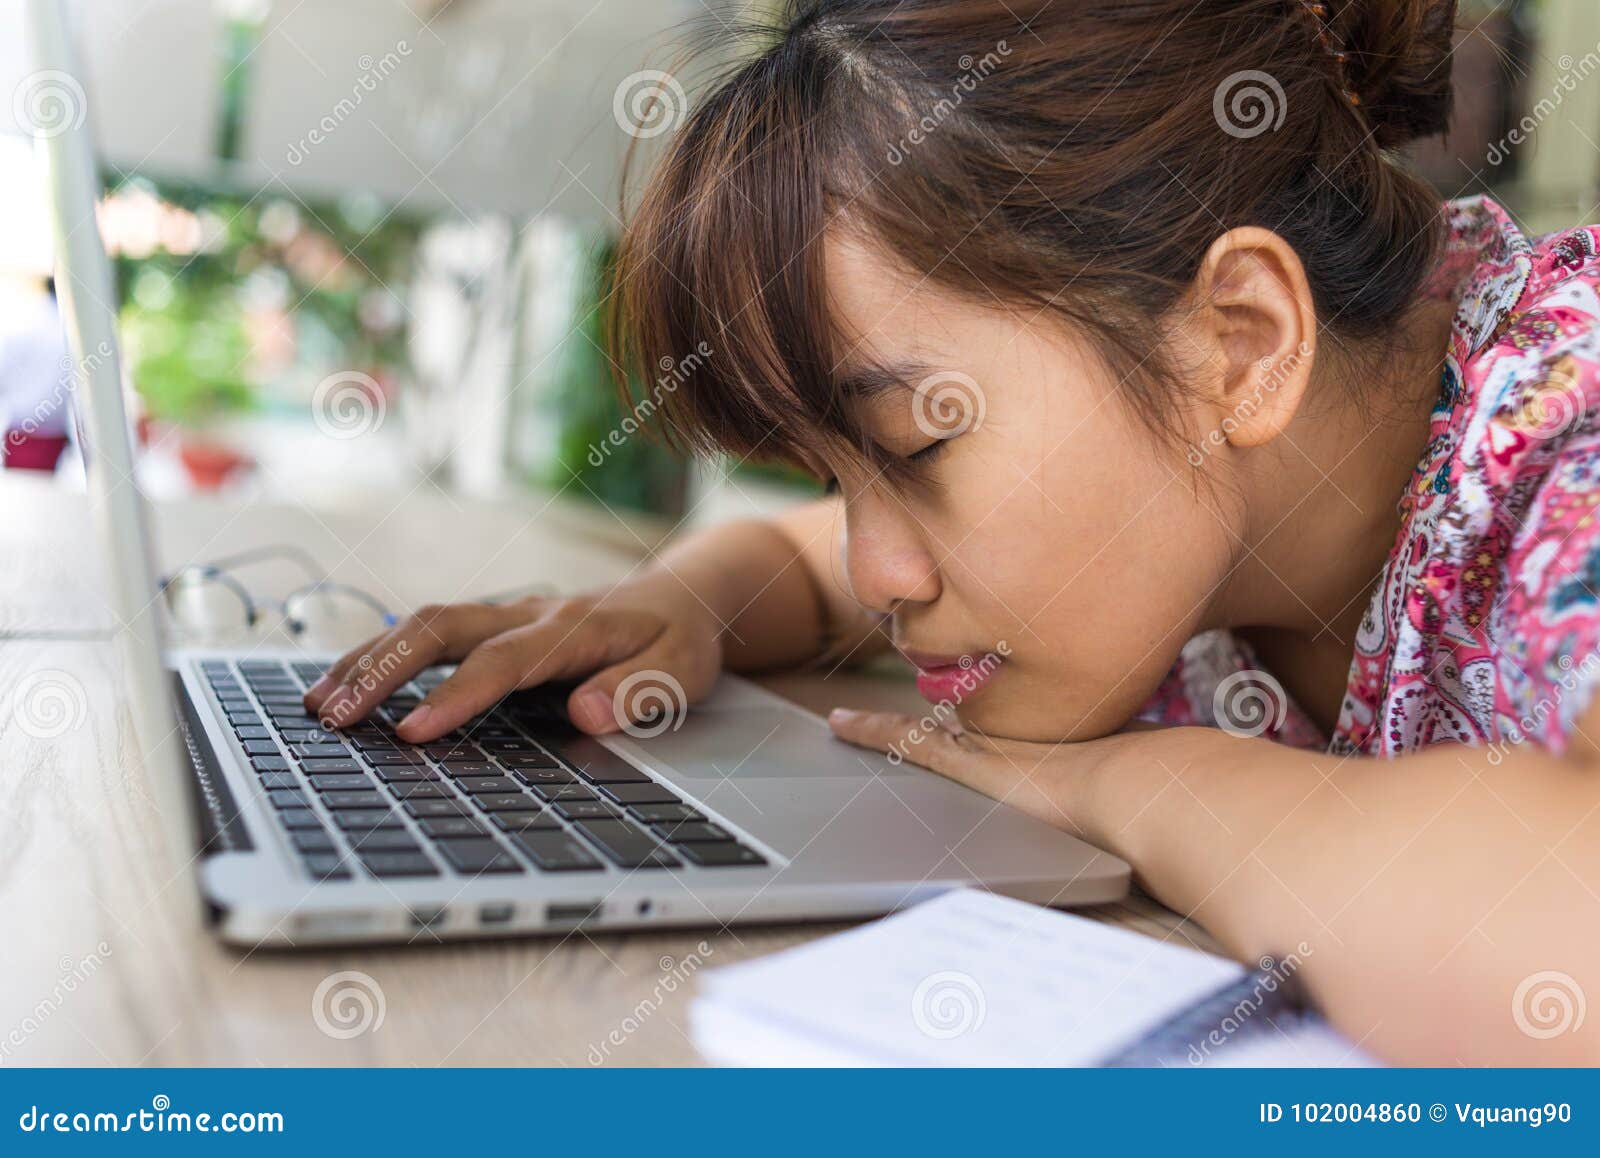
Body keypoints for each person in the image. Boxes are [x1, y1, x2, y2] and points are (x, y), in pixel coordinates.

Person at [307, 0, 1600, 1064]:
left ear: (1240, 343)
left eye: (918, 448)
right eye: (831, 472)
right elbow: (807, 564)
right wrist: (684, 598)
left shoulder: (1564, 439)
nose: (881, 570)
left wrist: (1138, 784)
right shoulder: (1167, 518)